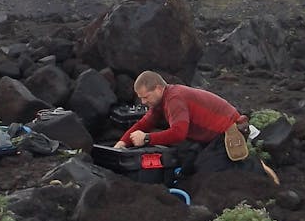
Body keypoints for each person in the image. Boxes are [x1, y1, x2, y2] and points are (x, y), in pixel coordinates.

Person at [114, 70, 277, 183]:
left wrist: (147, 138)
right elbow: (145, 123)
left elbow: (179, 134)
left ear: (158, 88)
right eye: (140, 98)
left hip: (228, 131)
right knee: (186, 171)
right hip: (206, 138)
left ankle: (257, 168)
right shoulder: (160, 102)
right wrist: (122, 143)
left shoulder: (174, 99)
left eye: (146, 97)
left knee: (208, 173)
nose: (143, 102)